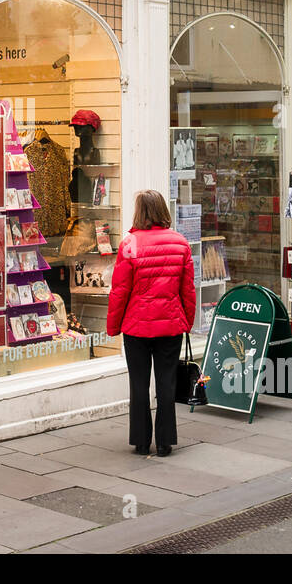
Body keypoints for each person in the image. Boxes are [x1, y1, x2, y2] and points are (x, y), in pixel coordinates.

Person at [105, 190, 197, 457]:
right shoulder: (180, 243)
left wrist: (113, 326)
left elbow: (120, 290)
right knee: (166, 383)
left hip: (137, 326)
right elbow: (187, 290)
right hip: (170, 325)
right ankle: (166, 441)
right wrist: (187, 322)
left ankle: (141, 441)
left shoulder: (130, 244)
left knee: (139, 384)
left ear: (140, 212)